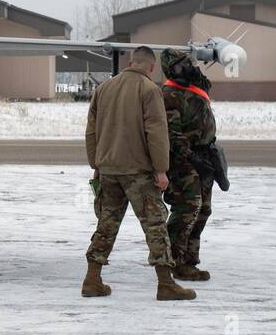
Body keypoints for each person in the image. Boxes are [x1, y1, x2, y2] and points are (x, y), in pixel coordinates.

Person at [82, 46, 196, 300]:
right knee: (155, 226)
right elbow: (156, 132)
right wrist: (161, 169)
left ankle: (92, 279)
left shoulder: (103, 89)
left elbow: (91, 132)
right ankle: (166, 284)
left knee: (106, 224)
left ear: (131, 62)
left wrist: (96, 165)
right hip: (138, 172)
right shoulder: (149, 90)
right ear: (151, 67)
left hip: (109, 169)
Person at [161, 49, 217, 281]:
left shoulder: (193, 88)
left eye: (189, 62)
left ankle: (189, 260)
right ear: (171, 69)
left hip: (204, 156)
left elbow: (205, 100)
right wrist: (191, 158)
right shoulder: (168, 95)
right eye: (183, 64)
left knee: (203, 209)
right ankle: (173, 260)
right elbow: (172, 135)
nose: (189, 67)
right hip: (182, 161)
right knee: (187, 208)